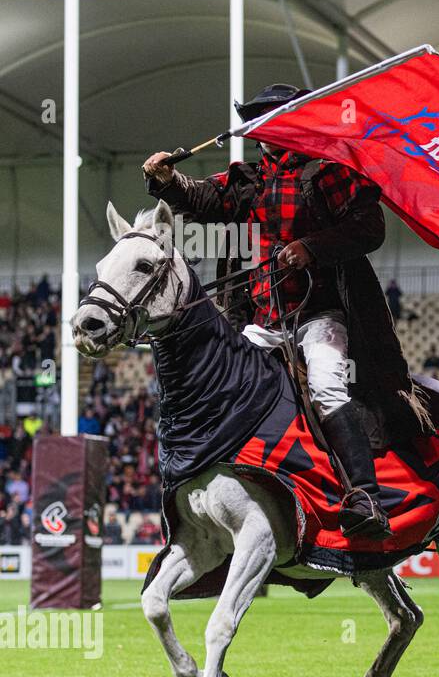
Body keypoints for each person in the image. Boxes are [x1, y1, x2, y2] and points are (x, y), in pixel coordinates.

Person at [142, 82, 410, 541]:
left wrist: (311, 247)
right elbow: (202, 200)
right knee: (223, 390)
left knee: (327, 389)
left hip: (321, 318)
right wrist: (167, 181)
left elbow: (369, 227)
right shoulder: (247, 179)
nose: (262, 125)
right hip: (260, 324)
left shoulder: (329, 171)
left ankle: (365, 496)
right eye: (258, 117)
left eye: (272, 115)